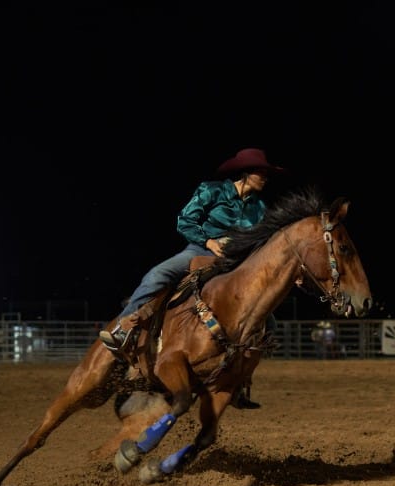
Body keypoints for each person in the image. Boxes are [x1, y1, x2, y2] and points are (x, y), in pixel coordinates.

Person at [99, 147, 285, 407]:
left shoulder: (260, 208)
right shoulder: (212, 191)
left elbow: (262, 243)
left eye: (266, 173)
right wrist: (209, 242)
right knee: (158, 275)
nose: (265, 177)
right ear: (245, 173)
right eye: (261, 172)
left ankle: (238, 382)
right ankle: (123, 329)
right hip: (199, 250)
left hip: (236, 263)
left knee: (268, 321)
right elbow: (185, 220)